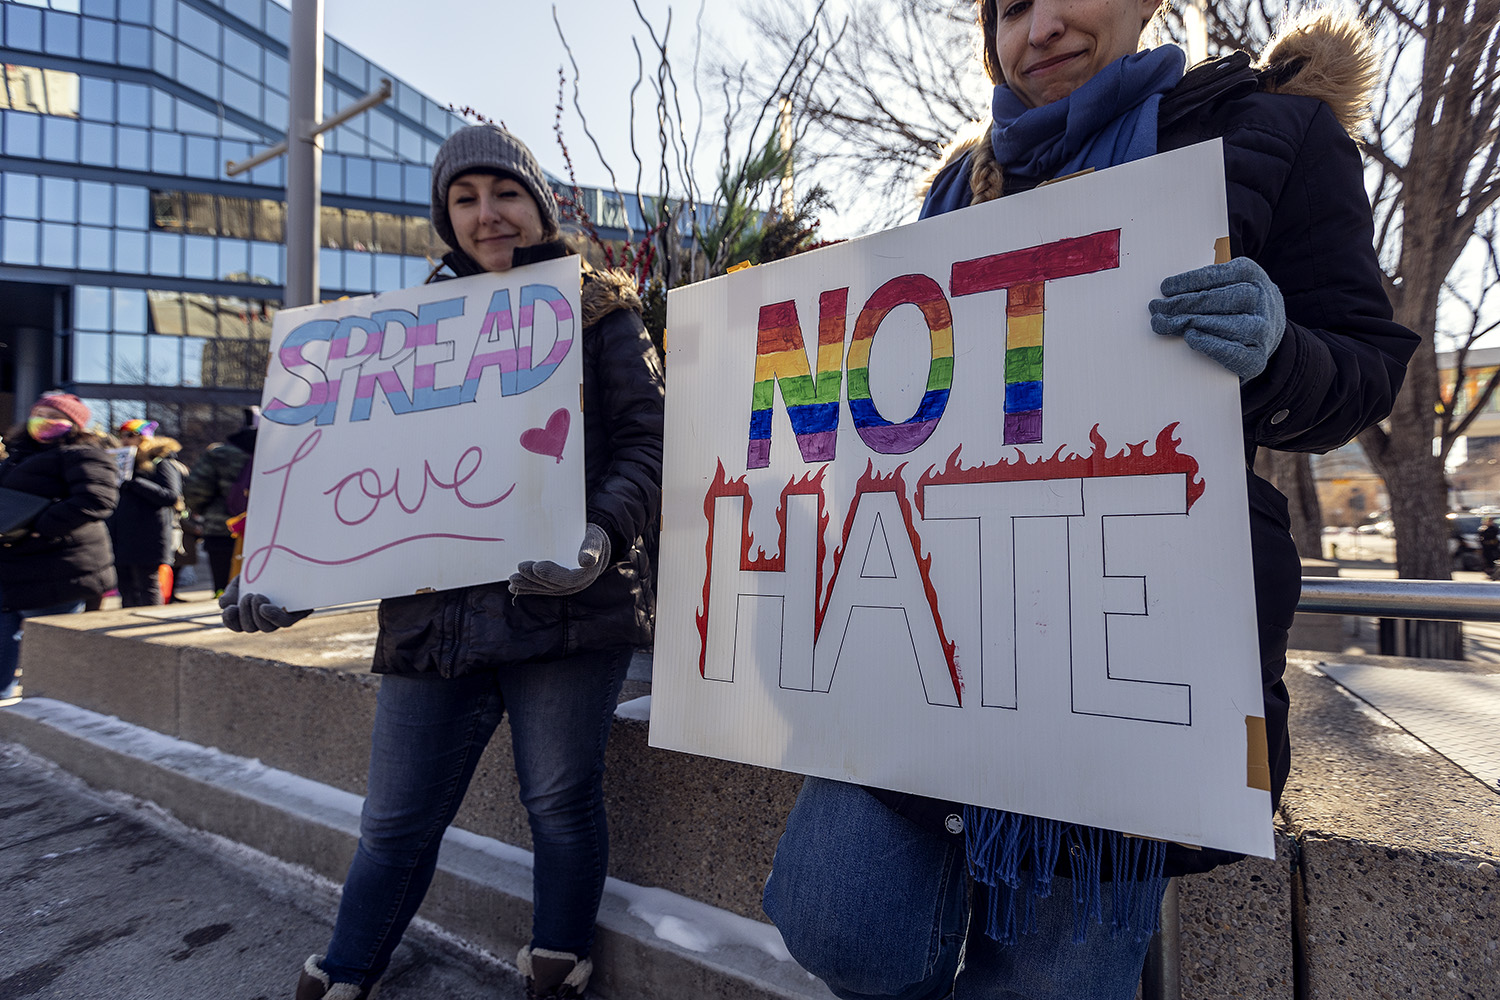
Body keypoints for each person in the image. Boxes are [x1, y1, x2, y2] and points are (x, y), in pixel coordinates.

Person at [761, 5, 1420, 999]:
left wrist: (1279, 353)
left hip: (1133, 647)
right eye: (1010, 9)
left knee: (1051, 983)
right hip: (930, 629)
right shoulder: (958, 180)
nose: (1042, 27)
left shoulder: (1274, 134)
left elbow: (1365, 369)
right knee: (838, 919)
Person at [221, 125, 664, 1000]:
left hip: (569, 610)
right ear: (445, 217)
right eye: (465, 199)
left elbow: (650, 443)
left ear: (538, 206)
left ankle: (558, 965)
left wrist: (601, 534)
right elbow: (346, 475)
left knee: (559, 805)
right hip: (435, 620)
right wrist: (285, 575)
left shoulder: (601, 313)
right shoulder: (395, 337)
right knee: (393, 820)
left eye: (505, 193)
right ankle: (346, 972)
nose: (486, 213)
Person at [0, 393, 119, 700]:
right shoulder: (18, 456)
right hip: (14, 569)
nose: (43, 421)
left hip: (59, 569)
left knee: (47, 653)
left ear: (75, 424)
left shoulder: (83, 454)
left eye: (54, 416)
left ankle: (43, 708)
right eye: (39, 413)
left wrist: (38, 527)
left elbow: (97, 499)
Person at [107, 419, 184, 607]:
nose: (124, 440)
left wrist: (134, 483)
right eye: (121, 435)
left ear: (145, 438)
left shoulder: (161, 462)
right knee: (126, 588)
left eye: (130, 435)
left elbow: (170, 496)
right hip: (120, 535)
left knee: (147, 585)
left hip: (148, 536)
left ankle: (148, 623)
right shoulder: (121, 464)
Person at [183, 408, 257, 595]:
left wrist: (201, 510)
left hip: (222, 528)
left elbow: (195, 489)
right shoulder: (280, 451)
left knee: (224, 589)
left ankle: (223, 607)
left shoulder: (221, 454)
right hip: (267, 530)